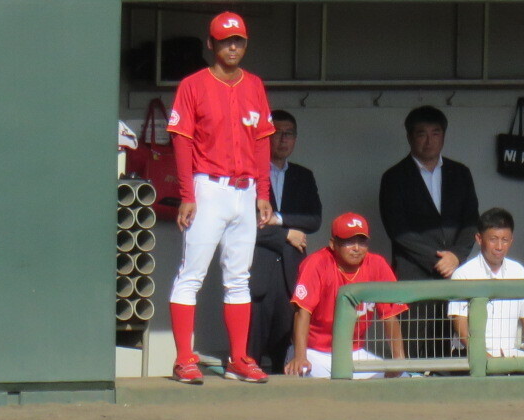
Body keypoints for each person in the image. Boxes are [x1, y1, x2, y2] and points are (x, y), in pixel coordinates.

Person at [166, 11, 274, 386]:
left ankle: (239, 359)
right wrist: (187, 194)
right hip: (207, 187)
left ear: (245, 43)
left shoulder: (255, 85)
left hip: (244, 191)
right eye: (225, 40)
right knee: (191, 276)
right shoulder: (193, 84)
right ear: (211, 44)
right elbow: (181, 141)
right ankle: (183, 359)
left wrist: (264, 192)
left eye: (238, 40)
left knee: (239, 279)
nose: (232, 46)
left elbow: (262, 141)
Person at [379, 105, 480, 358]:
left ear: (443, 136)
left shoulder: (460, 173)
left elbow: (470, 222)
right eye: (422, 133)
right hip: (414, 275)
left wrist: (456, 256)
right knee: (413, 343)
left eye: (435, 133)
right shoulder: (394, 177)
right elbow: (398, 230)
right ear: (410, 137)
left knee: (449, 344)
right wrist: (439, 260)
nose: (429, 140)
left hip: (455, 273)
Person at [248, 110, 322, 374]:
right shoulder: (248, 175)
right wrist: (287, 233)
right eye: (275, 133)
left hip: (291, 273)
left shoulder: (303, 176)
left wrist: (277, 219)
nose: (282, 139)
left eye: (288, 133)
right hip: (256, 272)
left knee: (284, 352)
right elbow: (244, 225)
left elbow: (313, 220)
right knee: (250, 353)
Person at [289, 213, 406, 379]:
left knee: (402, 380)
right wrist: (300, 357)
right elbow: (302, 313)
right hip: (315, 352)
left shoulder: (377, 264)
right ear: (333, 244)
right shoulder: (317, 263)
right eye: (349, 241)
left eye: (362, 241)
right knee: (315, 384)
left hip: (354, 351)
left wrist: (398, 359)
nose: (356, 248)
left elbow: (390, 315)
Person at [449, 208, 524, 358]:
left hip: (510, 355)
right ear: (479, 239)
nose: (499, 247)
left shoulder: (518, 271)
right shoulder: (463, 274)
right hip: (470, 357)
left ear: (511, 240)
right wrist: (481, 355)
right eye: (493, 239)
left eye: (504, 240)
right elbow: (460, 325)